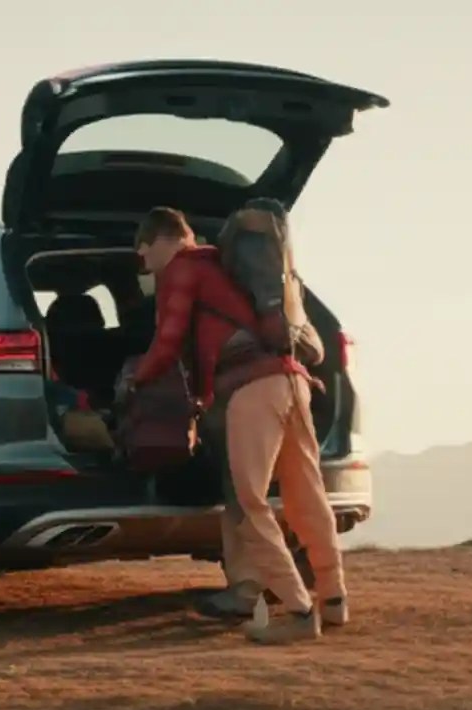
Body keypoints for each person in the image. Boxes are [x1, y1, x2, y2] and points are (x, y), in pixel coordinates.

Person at [127, 204, 346, 644]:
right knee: (307, 495)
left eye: (142, 256)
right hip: (294, 380)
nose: (144, 267)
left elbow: (169, 341)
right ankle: (334, 599)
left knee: (248, 502)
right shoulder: (226, 264)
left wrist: (136, 380)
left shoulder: (183, 269)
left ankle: (300, 610)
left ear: (155, 242)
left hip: (252, 390)